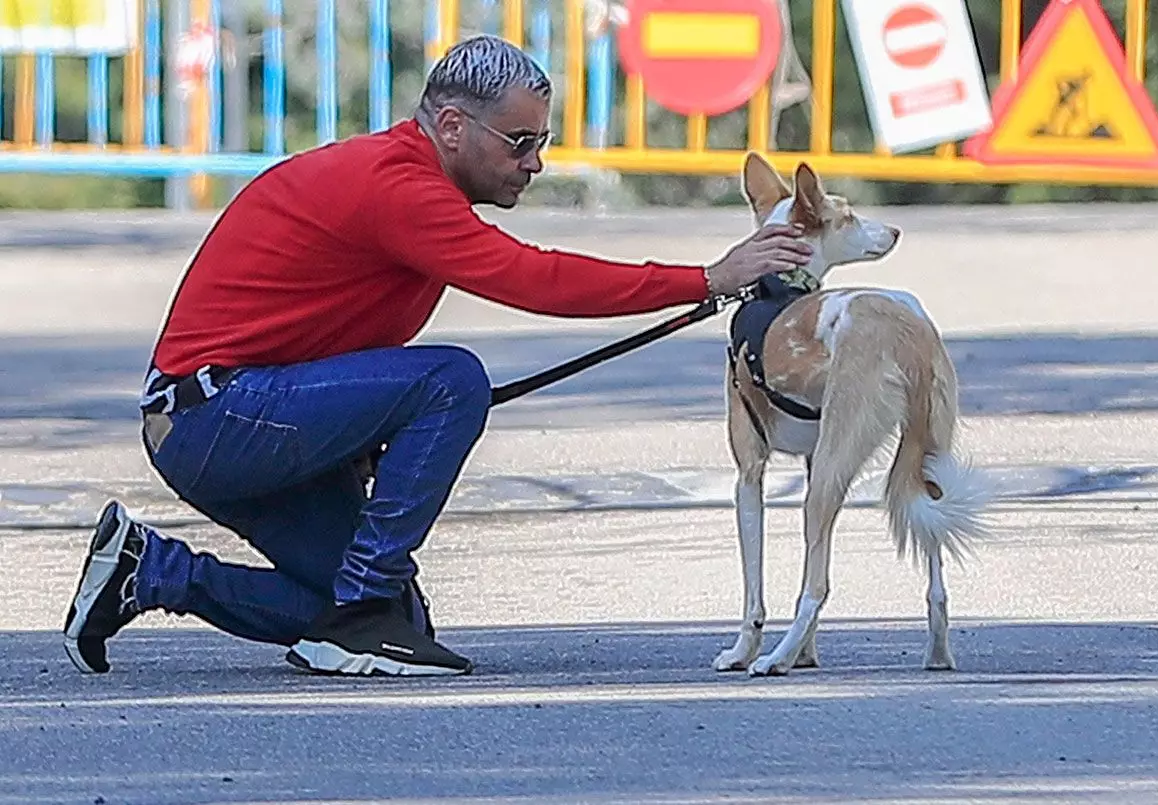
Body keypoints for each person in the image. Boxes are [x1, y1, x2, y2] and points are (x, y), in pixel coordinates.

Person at [62, 34, 813, 678]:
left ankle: (147, 572)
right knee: (452, 381)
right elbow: (533, 277)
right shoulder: (401, 187)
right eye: (520, 143)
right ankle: (360, 608)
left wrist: (342, 436)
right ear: (452, 125)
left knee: (401, 619)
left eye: (541, 143)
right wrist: (708, 278)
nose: (535, 163)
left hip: (223, 415)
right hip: (214, 418)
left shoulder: (411, 182)